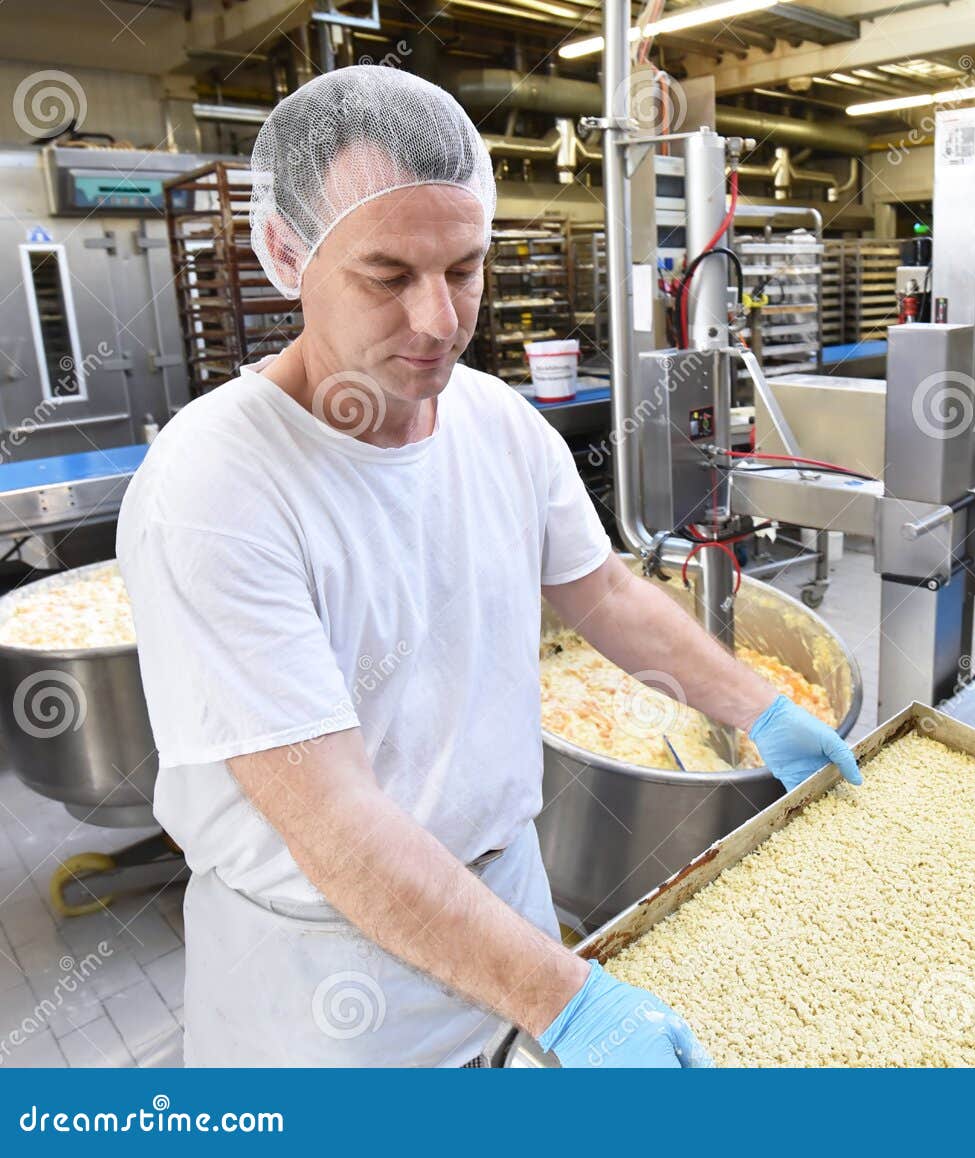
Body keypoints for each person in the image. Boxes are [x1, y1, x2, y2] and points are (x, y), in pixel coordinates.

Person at [116, 65, 859, 1068]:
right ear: (287, 255)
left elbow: (597, 593)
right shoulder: (218, 485)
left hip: (502, 909)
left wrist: (754, 708)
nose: (438, 320)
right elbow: (334, 825)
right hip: (328, 988)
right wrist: (573, 1004)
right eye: (388, 276)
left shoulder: (497, 424)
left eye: (463, 269)